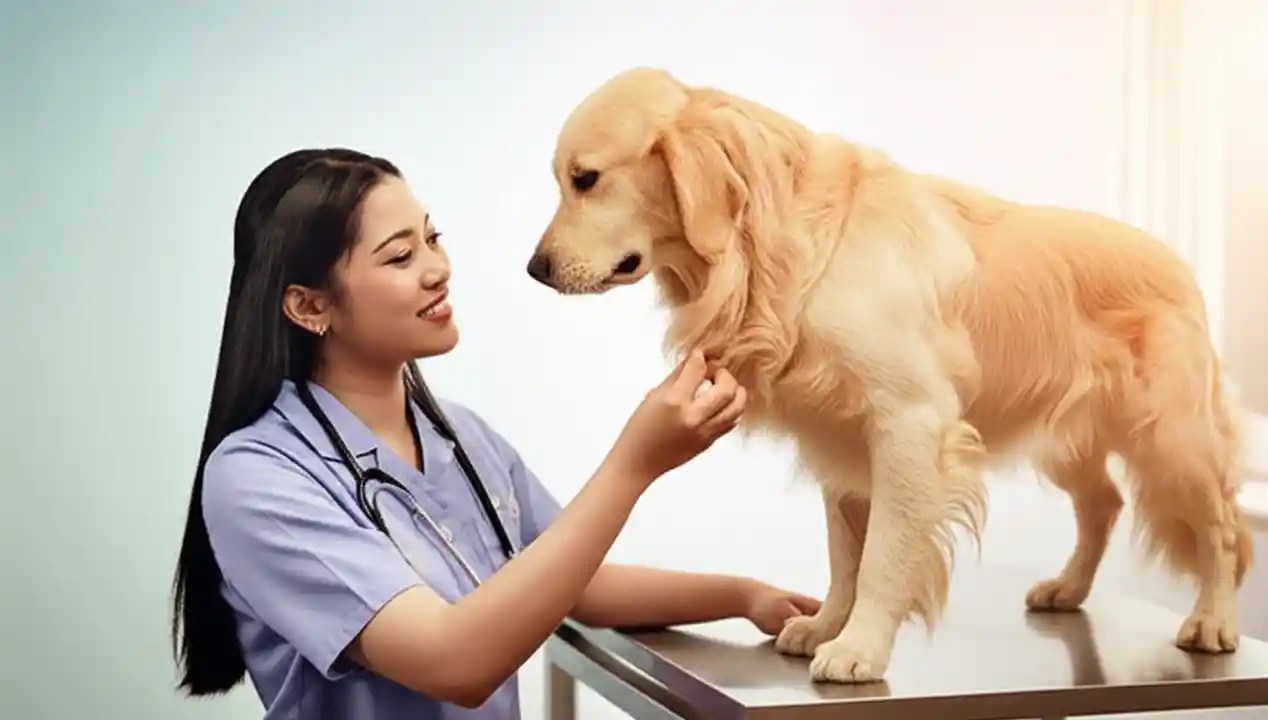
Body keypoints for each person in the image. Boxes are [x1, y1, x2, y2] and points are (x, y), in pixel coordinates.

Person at [170, 147, 820, 719]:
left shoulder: (460, 439)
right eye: (400, 256)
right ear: (310, 305)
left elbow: (577, 582)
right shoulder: (258, 477)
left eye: (432, 238)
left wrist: (741, 595)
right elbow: (455, 663)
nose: (437, 268)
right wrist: (634, 465)